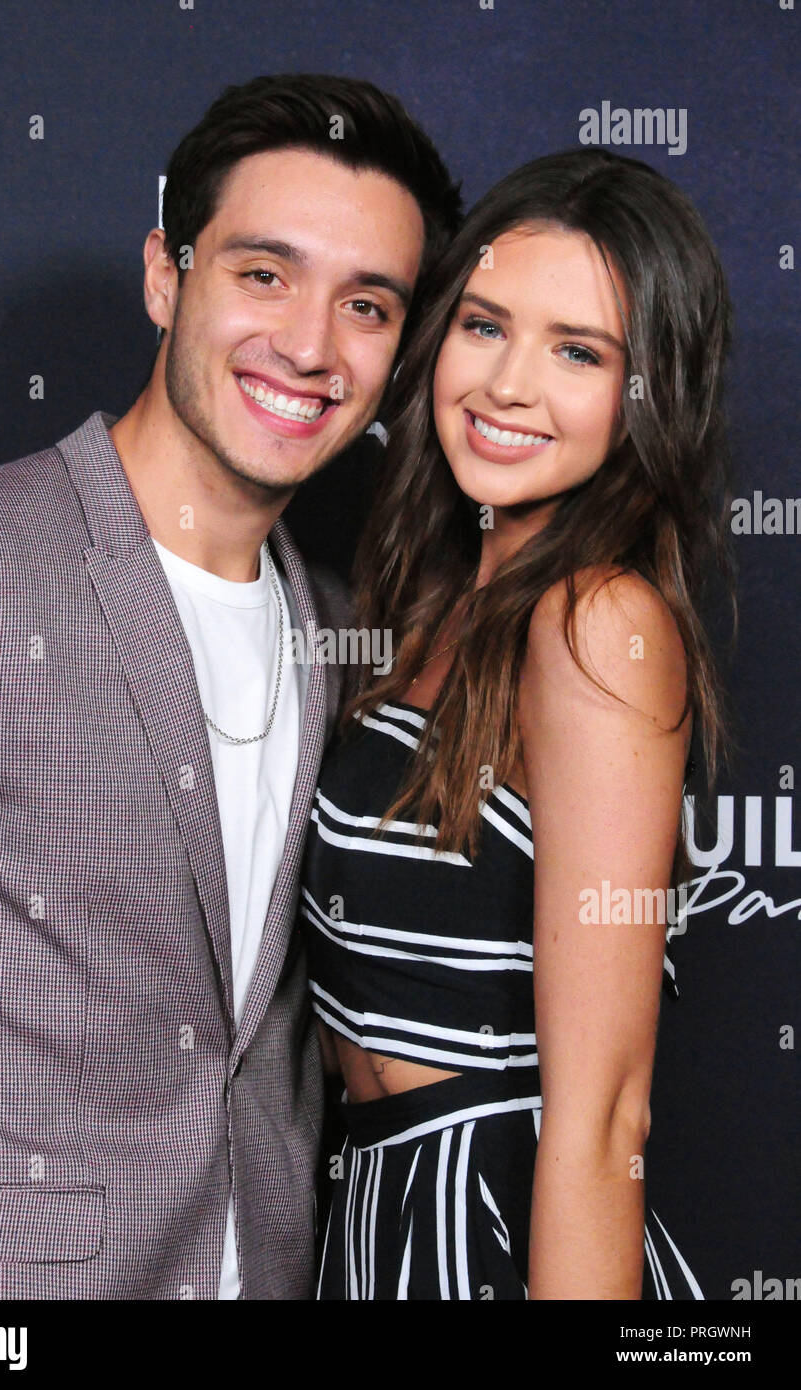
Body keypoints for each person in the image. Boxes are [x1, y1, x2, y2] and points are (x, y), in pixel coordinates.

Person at [0, 73, 461, 1299]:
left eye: (366, 304)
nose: (308, 344)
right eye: (263, 273)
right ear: (165, 276)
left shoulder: (344, 630)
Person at [300, 148, 735, 1299]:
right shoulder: (432, 604)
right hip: (376, 1218)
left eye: (578, 352)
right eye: (485, 326)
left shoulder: (600, 624)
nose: (507, 386)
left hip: (492, 1234)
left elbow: (602, 1110)